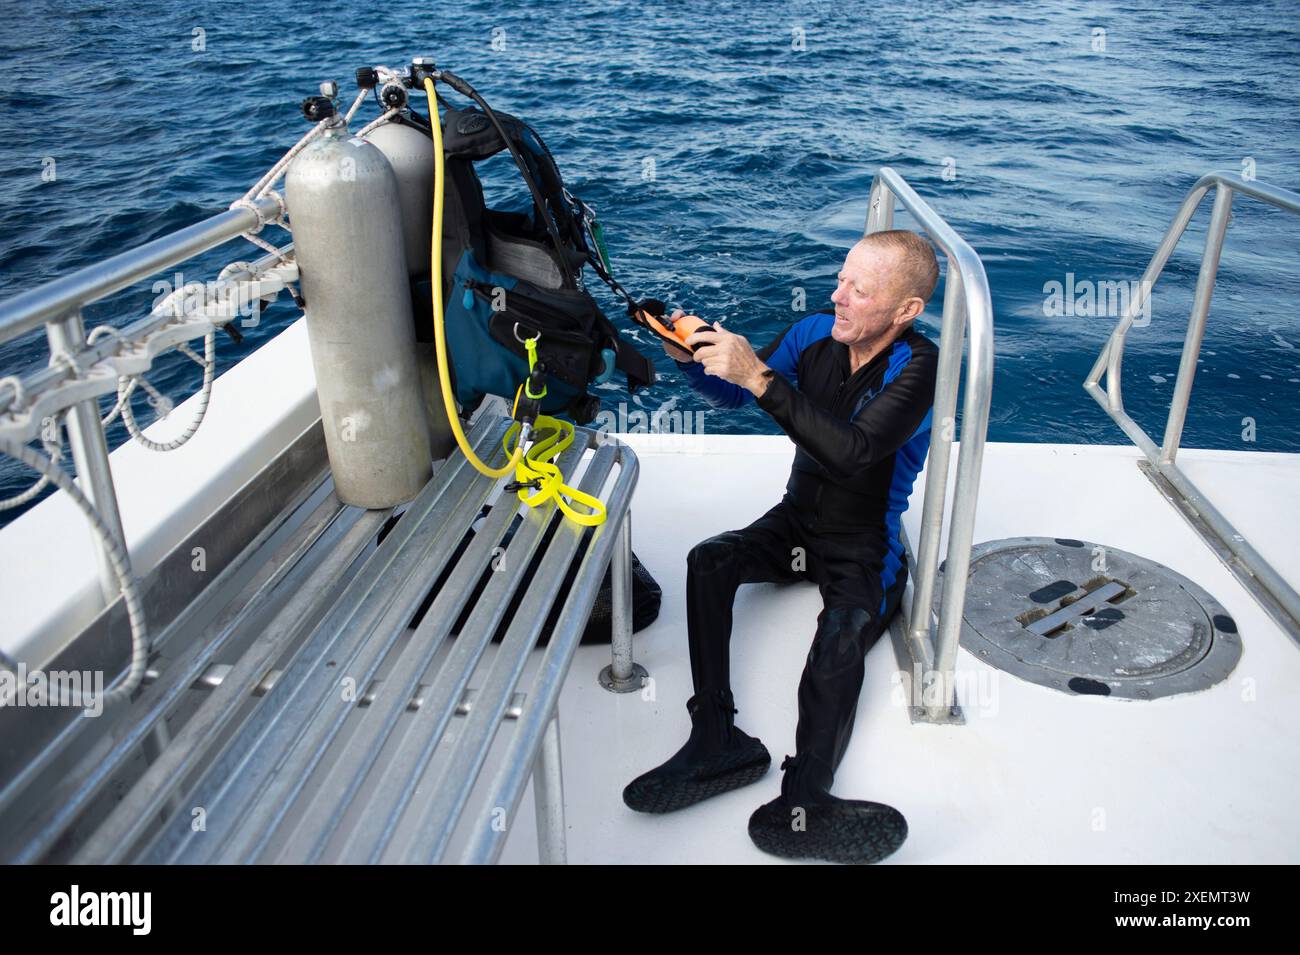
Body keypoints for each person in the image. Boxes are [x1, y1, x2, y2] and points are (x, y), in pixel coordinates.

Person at [622, 230, 941, 865]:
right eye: (841, 278)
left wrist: (760, 377)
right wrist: (691, 358)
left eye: (859, 289)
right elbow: (738, 392)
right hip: (796, 524)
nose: (838, 296)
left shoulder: (921, 367)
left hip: (864, 546)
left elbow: (852, 453)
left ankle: (807, 794)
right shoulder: (811, 333)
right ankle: (716, 735)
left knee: (840, 633)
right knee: (708, 559)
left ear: (905, 311)